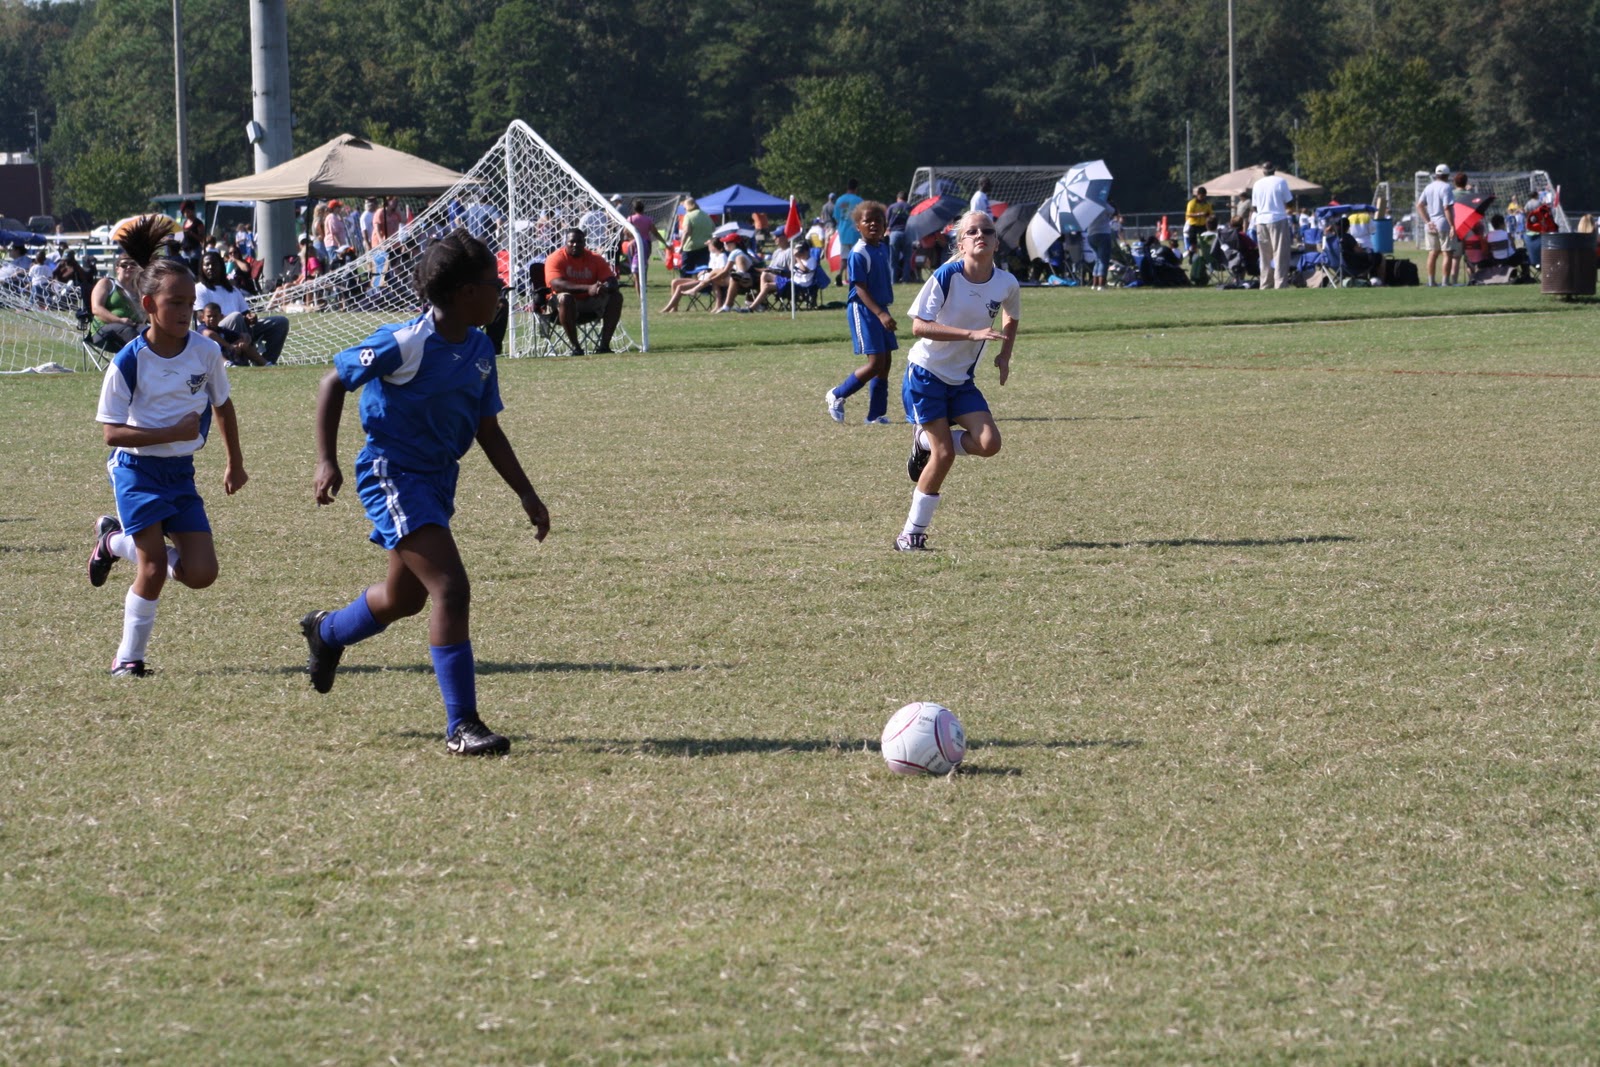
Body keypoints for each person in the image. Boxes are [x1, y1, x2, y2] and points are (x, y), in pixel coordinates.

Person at [299, 228, 548, 756]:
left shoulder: (480, 347)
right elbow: (331, 383)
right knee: (451, 588)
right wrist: (327, 460)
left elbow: (487, 429)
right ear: (462, 293)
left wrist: (526, 494)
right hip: (392, 473)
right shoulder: (405, 342)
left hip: (436, 479)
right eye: (492, 283)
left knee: (404, 598)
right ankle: (462, 725)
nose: (500, 291)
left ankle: (327, 633)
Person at [87, 245, 248, 677]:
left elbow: (223, 405)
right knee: (155, 567)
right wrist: (171, 433)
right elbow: (111, 433)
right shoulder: (128, 362)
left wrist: (235, 462)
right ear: (148, 305)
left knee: (201, 574)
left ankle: (112, 542)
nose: (185, 311)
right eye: (174, 302)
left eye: (189, 302)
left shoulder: (206, 352)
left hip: (180, 474)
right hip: (136, 472)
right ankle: (128, 659)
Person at [897, 210, 1018, 552]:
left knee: (989, 443)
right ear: (961, 243)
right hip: (926, 374)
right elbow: (919, 326)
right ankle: (911, 534)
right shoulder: (946, 275)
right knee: (945, 454)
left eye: (988, 231)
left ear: (996, 241)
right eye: (973, 231)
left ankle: (924, 442)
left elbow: (1012, 314)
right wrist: (970, 333)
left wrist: (1005, 355)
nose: (981, 235)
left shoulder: (1006, 282)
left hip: (961, 379)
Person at [824, 201, 897, 425]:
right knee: (875, 362)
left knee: (886, 363)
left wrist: (884, 311)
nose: (873, 224)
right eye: (867, 221)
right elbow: (860, 288)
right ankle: (837, 394)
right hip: (863, 310)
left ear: (885, 225)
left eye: (878, 220)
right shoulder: (859, 252)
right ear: (858, 226)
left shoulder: (882, 248)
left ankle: (875, 416)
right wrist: (881, 315)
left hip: (880, 307)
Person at [193, 250, 291, 363]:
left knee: (280, 322)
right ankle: (240, 360)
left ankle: (267, 361)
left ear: (221, 266)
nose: (210, 267)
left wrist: (251, 317)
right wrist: (225, 317)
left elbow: (246, 313)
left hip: (241, 328)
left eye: (213, 264)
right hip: (216, 331)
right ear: (201, 268)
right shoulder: (200, 289)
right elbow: (201, 317)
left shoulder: (232, 289)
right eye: (206, 265)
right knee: (236, 317)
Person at [542, 227, 622, 354]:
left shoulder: (595, 258)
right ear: (565, 243)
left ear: (584, 243)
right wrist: (588, 288)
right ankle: (576, 348)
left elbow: (612, 280)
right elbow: (557, 285)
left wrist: (604, 287)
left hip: (588, 303)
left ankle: (604, 347)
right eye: (572, 242)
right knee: (565, 298)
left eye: (579, 242)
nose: (575, 245)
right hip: (559, 308)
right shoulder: (555, 258)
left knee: (616, 297)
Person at [1250, 163, 1294, 289]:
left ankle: (1265, 284)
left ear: (1263, 171)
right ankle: (1280, 284)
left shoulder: (1257, 184)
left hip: (1261, 221)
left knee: (1265, 256)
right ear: (1275, 170)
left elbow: (1254, 207)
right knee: (1280, 254)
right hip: (1278, 218)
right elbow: (1289, 202)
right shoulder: (1281, 182)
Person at [89, 256, 149, 350]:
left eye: (133, 265)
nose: (129, 267)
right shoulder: (107, 283)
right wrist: (119, 320)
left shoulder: (138, 290)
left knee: (150, 333)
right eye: (124, 265)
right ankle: (136, 361)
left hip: (134, 327)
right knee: (129, 332)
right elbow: (96, 309)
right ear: (117, 269)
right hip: (103, 329)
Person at [1416, 163, 1460, 287]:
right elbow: (1446, 208)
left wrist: (1427, 221)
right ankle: (1445, 282)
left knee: (1433, 253)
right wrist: (1452, 225)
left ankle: (1431, 282)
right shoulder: (1446, 187)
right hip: (1443, 224)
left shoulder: (1428, 187)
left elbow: (1419, 205)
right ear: (1447, 175)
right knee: (1447, 253)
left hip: (1431, 226)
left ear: (1436, 175)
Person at [198, 301, 266, 366]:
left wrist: (243, 342)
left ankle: (265, 363)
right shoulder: (202, 328)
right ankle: (227, 364)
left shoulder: (222, 330)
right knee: (214, 350)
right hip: (207, 358)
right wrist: (229, 346)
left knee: (242, 344)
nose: (212, 319)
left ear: (221, 317)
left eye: (215, 316)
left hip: (226, 354)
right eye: (209, 316)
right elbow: (209, 334)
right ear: (203, 318)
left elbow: (245, 335)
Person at [625, 198, 668, 298]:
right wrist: (664, 243)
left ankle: (640, 295)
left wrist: (631, 238)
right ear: (643, 208)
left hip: (633, 245)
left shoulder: (630, 219)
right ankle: (643, 289)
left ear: (634, 209)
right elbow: (655, 233)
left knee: (636, 273)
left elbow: (625, 232)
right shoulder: (648, 219)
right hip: (646, 245)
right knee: (643, 268)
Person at [833, 180, 864, 278]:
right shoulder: (859, 200)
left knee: (844, 256)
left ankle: (840, 274)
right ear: (856, 189)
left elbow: (836, 216)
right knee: (856, 255)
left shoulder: (839, 200)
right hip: (855, 231)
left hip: (843, 231)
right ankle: (853, 276)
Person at [677, 197, 714, 272]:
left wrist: (681, 246)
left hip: (690, 248)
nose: (685, 210)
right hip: (704, 247)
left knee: (686, 272)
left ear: (688, 206)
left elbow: (686, 231)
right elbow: (713, 228)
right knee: (702, 271)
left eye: (685, 208)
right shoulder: (705, 215)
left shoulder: (688, 216)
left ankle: (686, 283)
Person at [886, 192, 911, 282]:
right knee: (907, 259)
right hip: (907, 233)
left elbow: (887, 220)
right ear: (906, 198)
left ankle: (893, 280)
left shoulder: (892, 207)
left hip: (895, 233)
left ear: (898, 198)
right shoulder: (909, 207)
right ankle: (906, 279)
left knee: (893, 259)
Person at [1184, 186, 1214, 259]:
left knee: (1205, 243)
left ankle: (1206, 257)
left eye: (1204, 196)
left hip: (1203, 225)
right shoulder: (1192, 203)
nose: (1203, 197)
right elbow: (1188, 214)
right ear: (1197, 195)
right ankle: (1192, 258)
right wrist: (1199, 214)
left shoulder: (1207, 204)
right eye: (1201, 196)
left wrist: (1209, 216)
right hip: (1193, 225)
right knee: (1193, 244)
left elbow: (1211, 214)